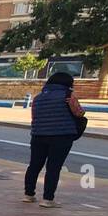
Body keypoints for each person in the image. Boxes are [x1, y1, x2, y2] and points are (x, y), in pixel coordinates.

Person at [24, 72, 85, 207]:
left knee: (34, 165)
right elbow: (79, 113)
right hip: (61, 136)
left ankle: (29, 195)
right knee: (53, 168)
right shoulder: (67, 96)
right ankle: (48, 199)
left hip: (38, 135)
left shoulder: (39, 97)